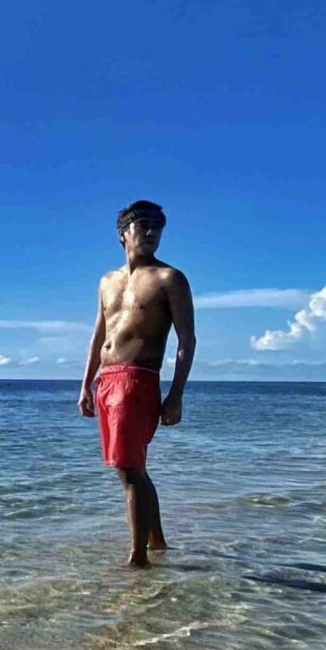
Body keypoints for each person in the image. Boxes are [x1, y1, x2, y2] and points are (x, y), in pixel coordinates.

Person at [78, 200, 196, 568]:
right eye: (142, 225)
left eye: (157, 227)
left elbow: (186, 340)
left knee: (129, 469)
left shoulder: (169, 279)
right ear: (122, 234)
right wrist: (85, 384)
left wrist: (175, 395)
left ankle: (137, 558)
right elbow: (99, 335)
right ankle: (157, 543)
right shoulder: (107, 281)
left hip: (138, 379)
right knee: (133, 469)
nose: (151, 232)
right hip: (106, 380)